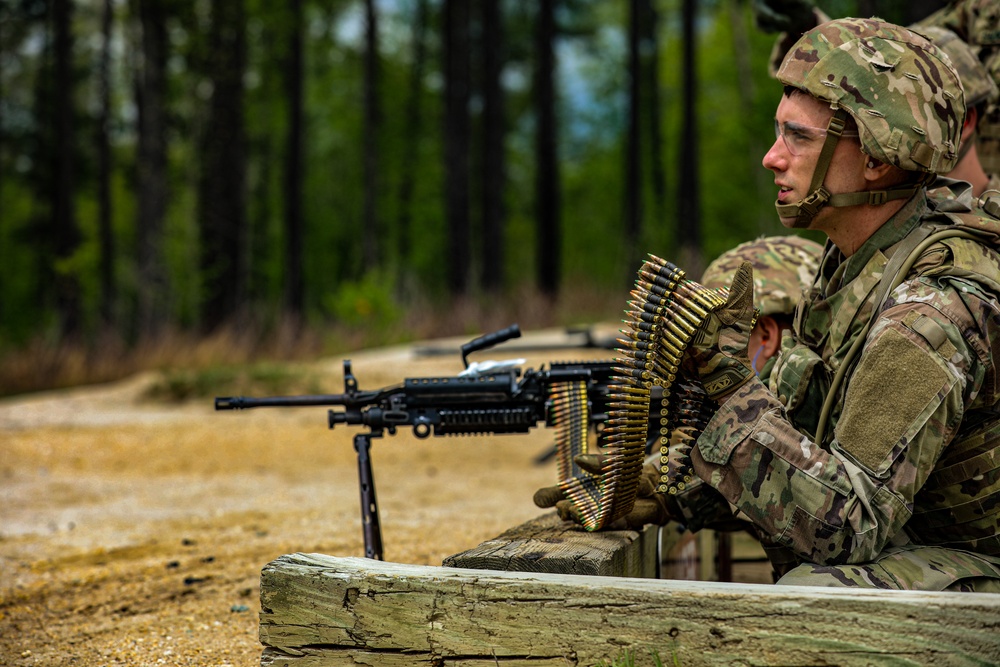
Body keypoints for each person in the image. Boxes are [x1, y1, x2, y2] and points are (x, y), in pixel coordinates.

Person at [560, 17, 1000, 592]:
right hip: (929, 548)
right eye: (778, 133)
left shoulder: (930, 309)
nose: (772, 157)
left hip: (978, 574)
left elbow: (847, 525)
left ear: (876, 158)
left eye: (799, 137)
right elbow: (808, 448)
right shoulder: (856, 266)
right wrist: (677, 494)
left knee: (816, 594)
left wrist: (730, 389)